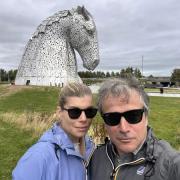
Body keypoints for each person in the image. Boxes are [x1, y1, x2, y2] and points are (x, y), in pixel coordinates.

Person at [88, 78, 180, 180]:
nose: (124, 128)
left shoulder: (170, 164)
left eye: (133, 116)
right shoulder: (95, 157)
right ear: (104, 122)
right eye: (112, 118)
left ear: (146, 118)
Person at [12, 82, 97, 180]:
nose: (83, 118)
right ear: (59, 112)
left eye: (89, 111)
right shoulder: (39, 157)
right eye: (74, 112)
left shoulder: (92, 149)